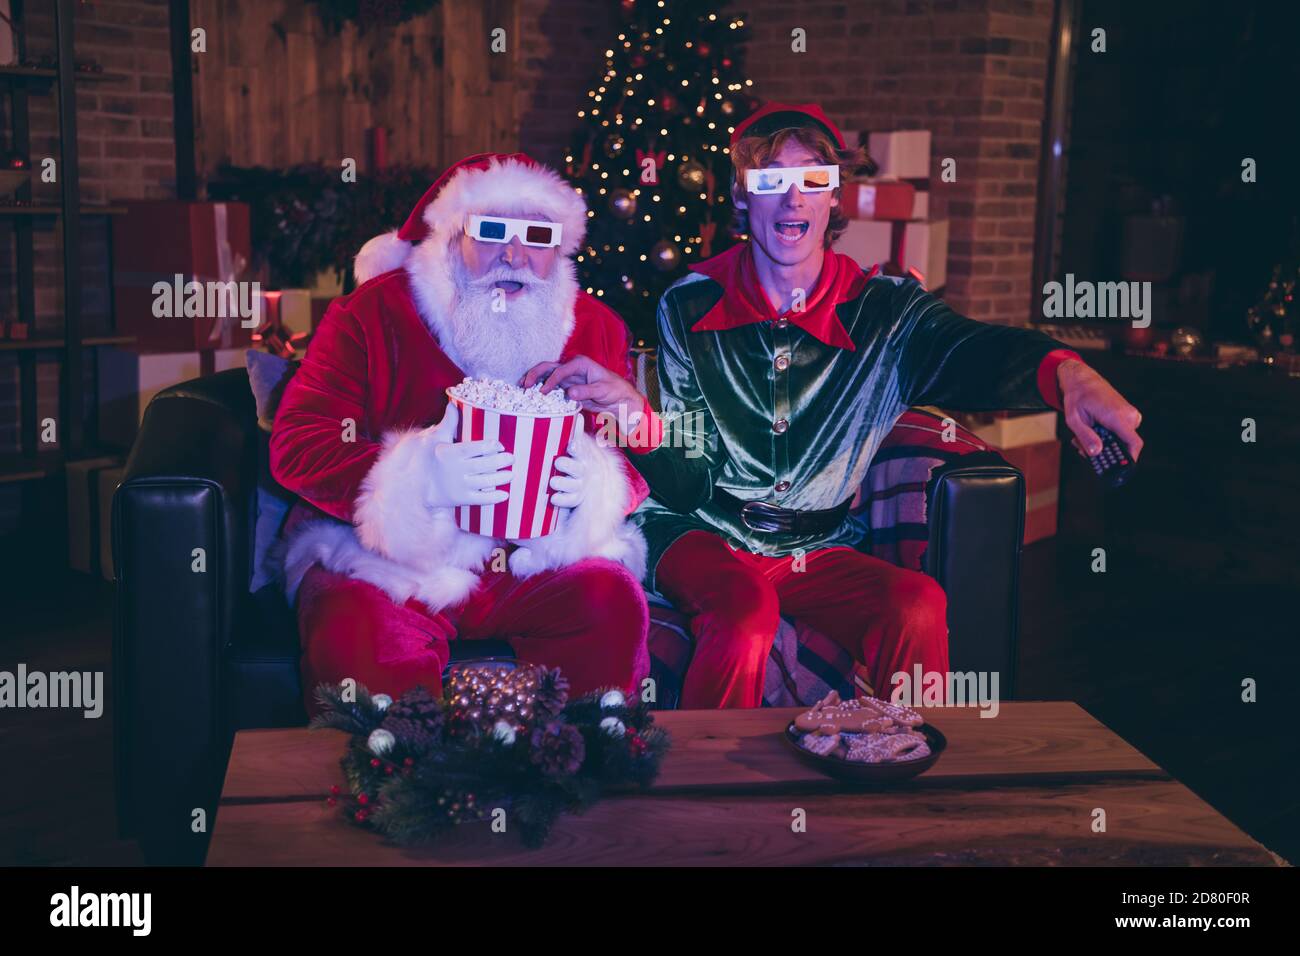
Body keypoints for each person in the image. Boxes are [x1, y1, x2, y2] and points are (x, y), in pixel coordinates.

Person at [526, 103, 1144, 709]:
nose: (793, 199)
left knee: (917, 605)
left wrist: (1069, 375)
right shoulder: (688, 306)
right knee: (745, 614)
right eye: (771, 181)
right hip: (700, 531)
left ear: (834, 197)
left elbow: (971, 351)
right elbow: (688, 479)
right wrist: (638, 415)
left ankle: (909, 780)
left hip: (820, 548)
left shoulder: (887, 310)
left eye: (812, 180)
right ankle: (706, 798)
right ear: (743, 198)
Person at [270, 152, 651, 713]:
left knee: (610, 601)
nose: (515, 255)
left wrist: (595, 484)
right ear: (451, 239)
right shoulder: (371, 314)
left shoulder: (595, 326)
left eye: (537, 235)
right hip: (390, 561)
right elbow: (298, 445)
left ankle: (579, 780)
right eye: (492, 231)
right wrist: (414, 478)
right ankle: (397, 788)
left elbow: (637, 456)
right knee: (357, 626)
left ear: (560, 248)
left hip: (531, 561)